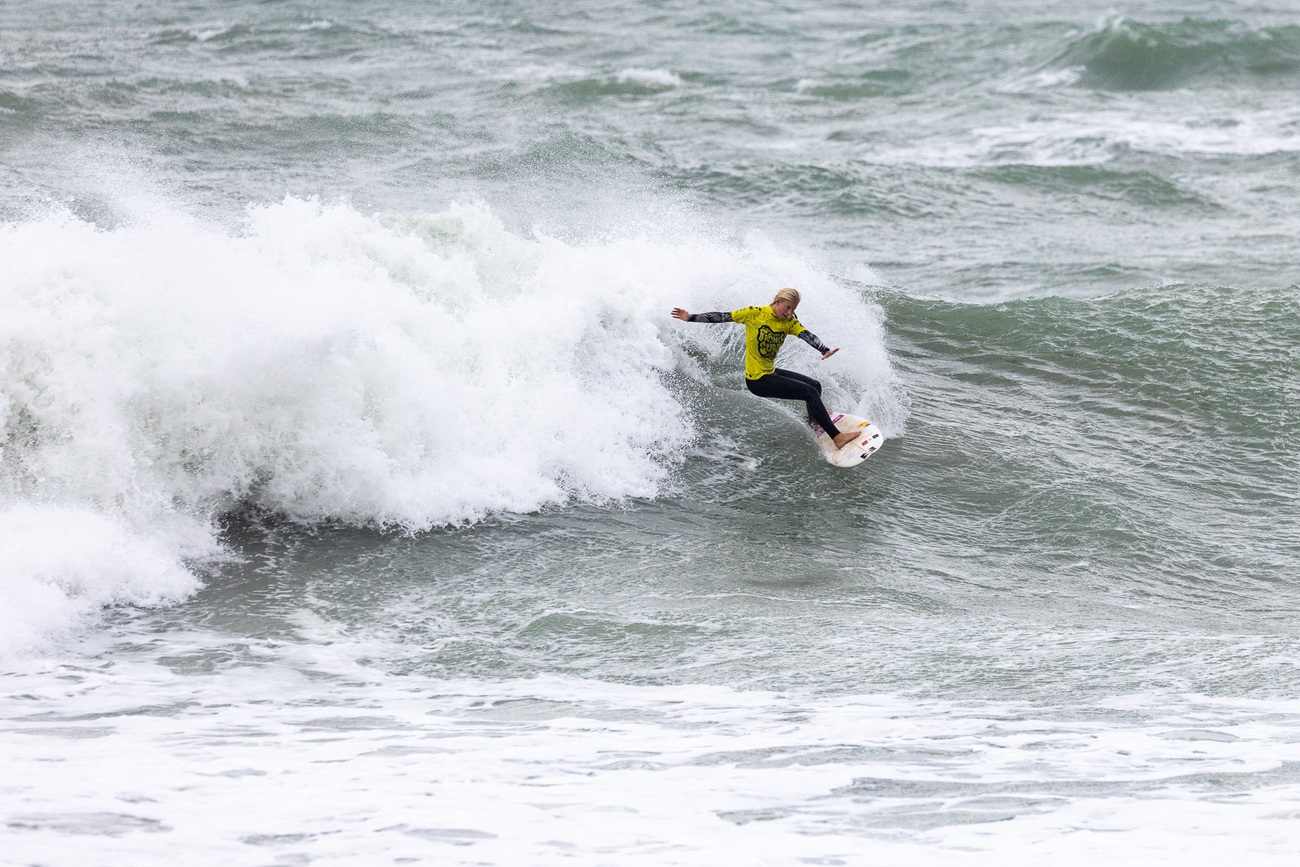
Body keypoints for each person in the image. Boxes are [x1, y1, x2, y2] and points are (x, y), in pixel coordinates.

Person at [671, 288, 860, 450]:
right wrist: (690, 318)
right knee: (809, 392)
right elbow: (722, 316)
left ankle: (814, 423)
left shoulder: (788, 322)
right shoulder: (754, 313)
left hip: (769, 372)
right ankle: (837, 438)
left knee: (814, 385)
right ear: (777, 302)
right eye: (787, 308)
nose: (789, 312)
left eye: (793, 309)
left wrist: (824, 349)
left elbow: (805, 334)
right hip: (757, 381)